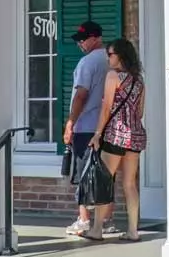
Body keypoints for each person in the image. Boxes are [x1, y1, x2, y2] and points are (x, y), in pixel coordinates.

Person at [62, 21, 116, 238]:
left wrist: (70, 123)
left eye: (83, 39)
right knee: (106, 174)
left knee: (83, 173)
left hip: (87, 127)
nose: (80, 43)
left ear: (96, 38)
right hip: (109, 126)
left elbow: (81, 95)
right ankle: (106, 221)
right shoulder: (112, 61)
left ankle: (84, 220)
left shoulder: (87, 63)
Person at [92, 37, 147, 242]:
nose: (108, 58)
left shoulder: (113, 76)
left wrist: (97, 134)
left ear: (120, 55)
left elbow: (106, 109)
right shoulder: (139, 80)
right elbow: (140, 112)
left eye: (110, 54)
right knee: (130, 184)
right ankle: (133, 231)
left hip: (115, 134)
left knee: (105, 181)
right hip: (135, 135)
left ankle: (97, 229)